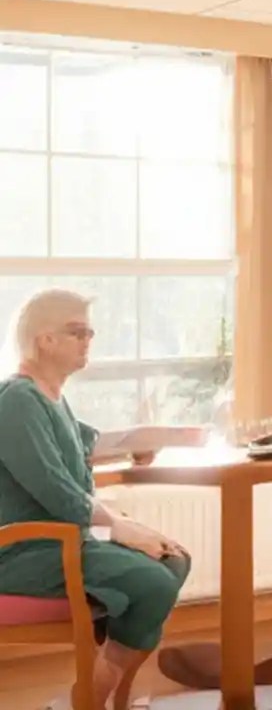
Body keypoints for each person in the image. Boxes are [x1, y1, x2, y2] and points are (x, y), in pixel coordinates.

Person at [0, 288, 191, 709]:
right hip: (24, 549)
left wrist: (134, 446)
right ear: (44, 340)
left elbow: (75, 452)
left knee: (174, 558)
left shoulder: (51, 397)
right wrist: (118, 527)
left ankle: (99, 689)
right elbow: (53, 487)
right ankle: (88, 697)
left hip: (67, 540)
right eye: (77, 332)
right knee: (152, 581)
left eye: (90, 332)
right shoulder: (16, 401)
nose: (88, 341)